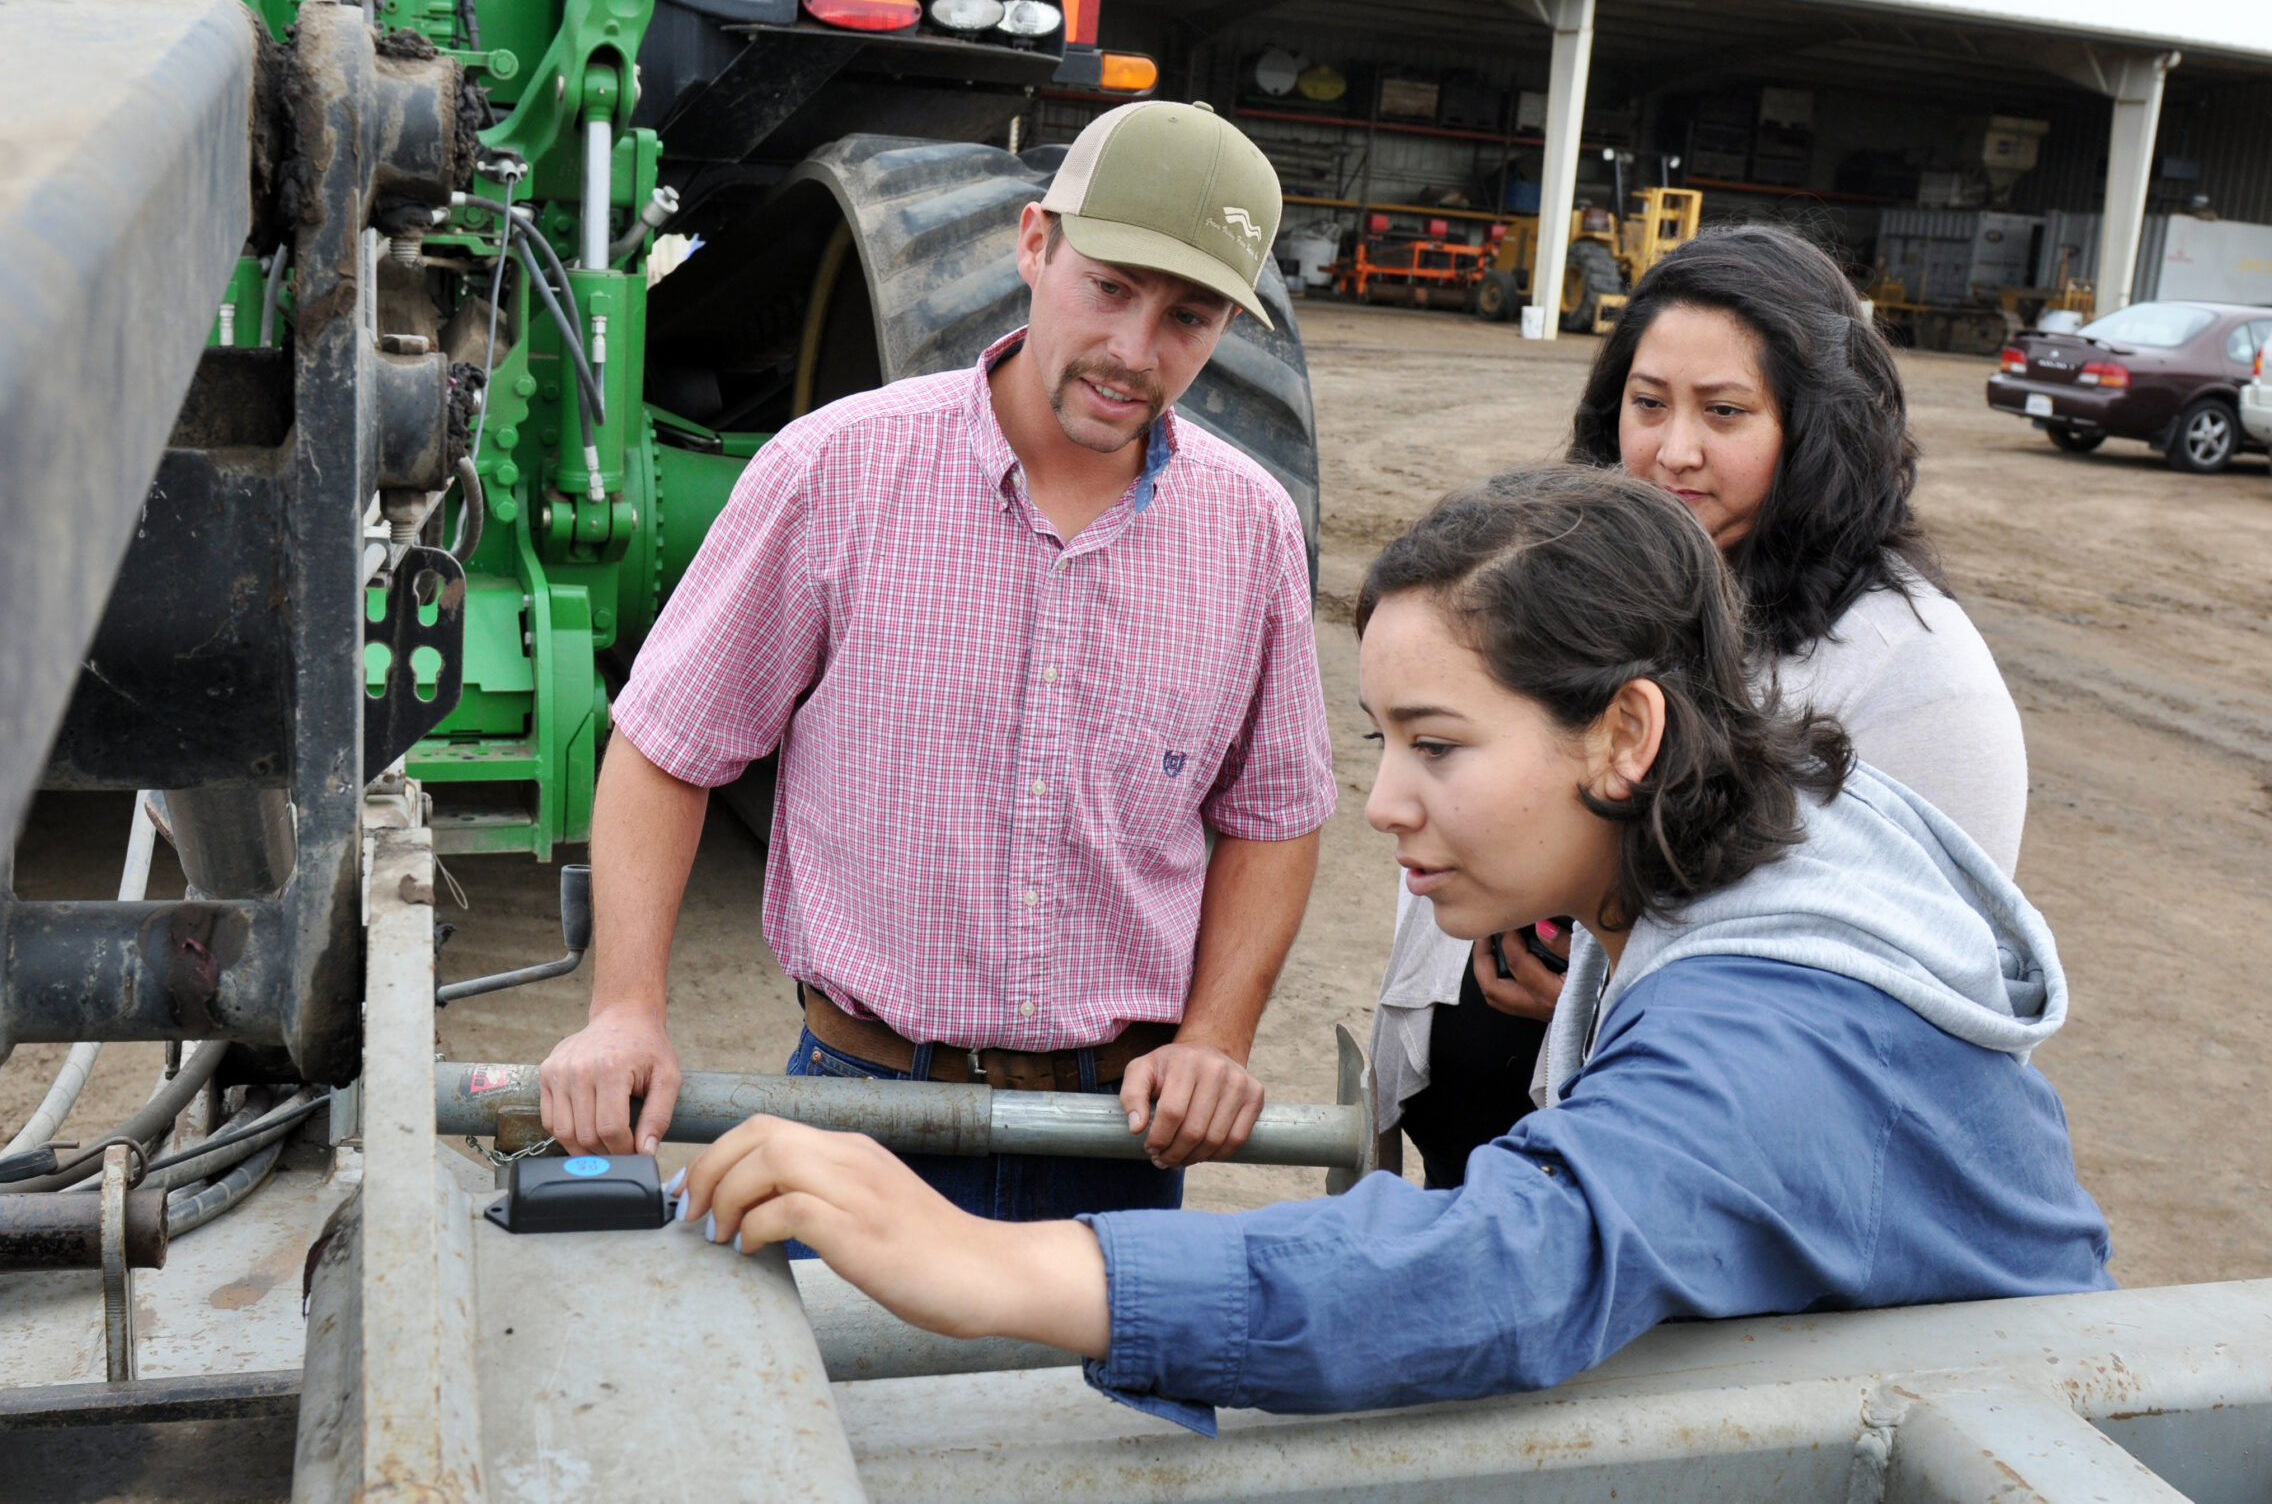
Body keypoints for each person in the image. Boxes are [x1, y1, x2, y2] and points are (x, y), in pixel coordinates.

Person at [668, 467, 2112, 1430]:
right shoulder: (1764, 829)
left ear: (1625, 731)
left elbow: (1517, 1255)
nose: (1382, 803)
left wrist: (983, 1262)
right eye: (1382, 739)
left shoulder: (1776, 1017)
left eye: (1438, 744)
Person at [537, 99, 1337, 1226]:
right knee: (837, 1402)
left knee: (1078, 1413)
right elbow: (670, 746)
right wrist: (624, 1006)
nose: (1133, 350)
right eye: (1108, 287)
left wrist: (1216, 1036)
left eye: (1188, 316)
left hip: (1113, 1140)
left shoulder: (1248, 529)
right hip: (864, 1113)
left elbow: (1276, 808)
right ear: (1032, 243)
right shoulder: (836, 471)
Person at [1380, 225, 2030, 1188]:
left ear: (1815, 434)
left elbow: (1913, 997)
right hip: (1483, 1134)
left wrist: (1603, 992)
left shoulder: (1919, 673)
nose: (1672, 451)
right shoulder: (1567, 584)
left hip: (1682, 1179)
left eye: (1724, 412)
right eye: (1647, 404)